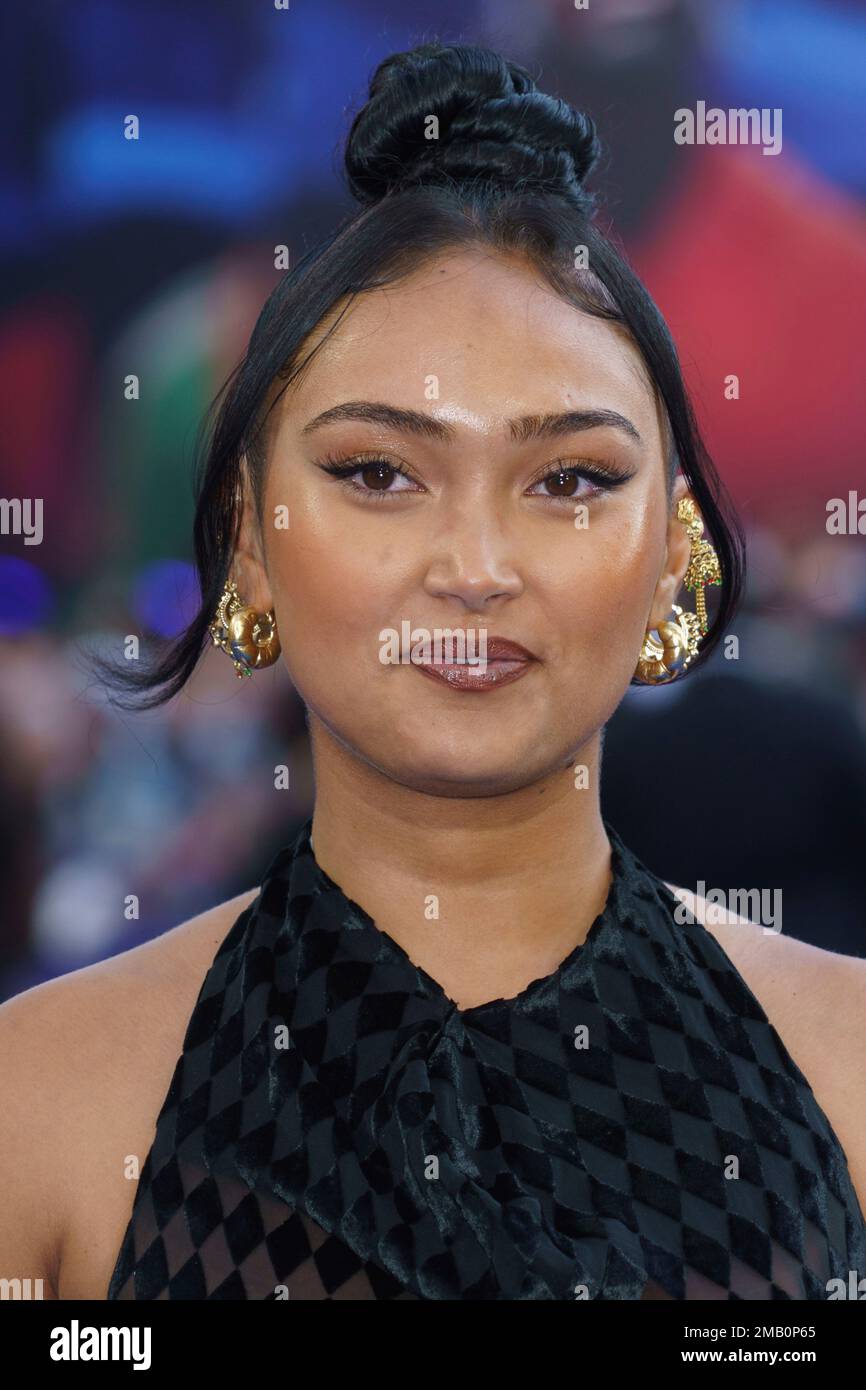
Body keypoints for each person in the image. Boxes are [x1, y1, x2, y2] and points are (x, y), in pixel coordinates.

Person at [1, 40, 864, 1302]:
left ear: (674, 556)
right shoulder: (39, 1103)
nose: (474, 563)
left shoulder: (849, 1075)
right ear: (247, 542)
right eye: (377, 473)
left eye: (568, 478)